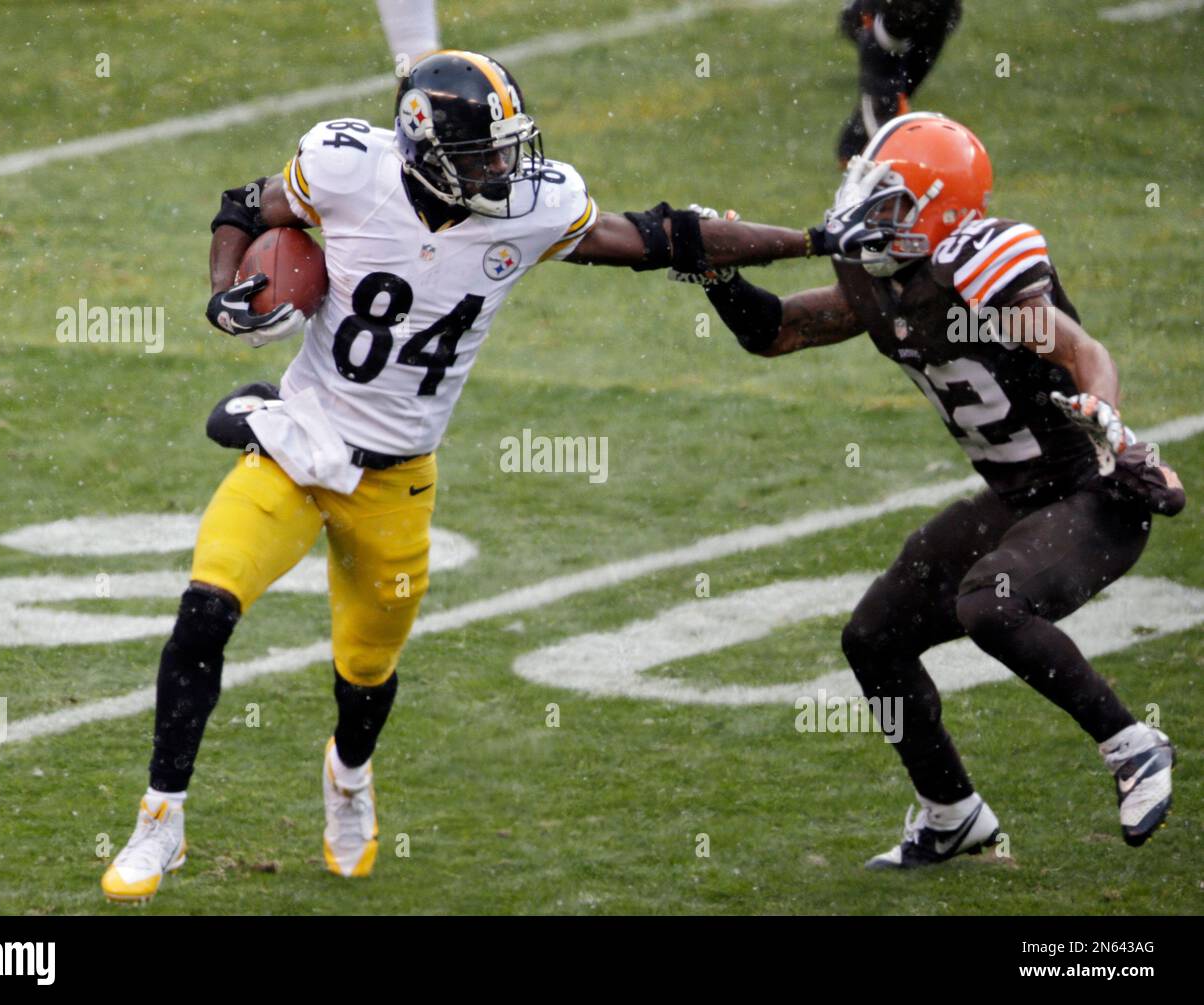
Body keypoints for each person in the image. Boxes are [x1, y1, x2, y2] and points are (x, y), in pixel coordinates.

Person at [101, 49, 811, 902]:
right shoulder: (346, 167)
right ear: (425, 149)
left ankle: (350, 776)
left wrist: (811, 239)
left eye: (510, 149)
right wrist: (228, 292)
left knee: (365, 670)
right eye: (485, 154)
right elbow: (243, 206)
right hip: (302, 442)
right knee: (205, 609)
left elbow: (666, 236)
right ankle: (161, 818)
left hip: (399, 478)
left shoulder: (531, 209)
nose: (506, 169)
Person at [687, 111, 1184, 868]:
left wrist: (1106, 415)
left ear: (941, 213)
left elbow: (1082, 348)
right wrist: (720, 277)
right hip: (1017, 499)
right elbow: (778, 330)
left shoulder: (979, 265)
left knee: (991, 601)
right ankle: (952, 813)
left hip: (1092, 497)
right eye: (864, 192)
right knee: (874, 638)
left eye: (886, 203)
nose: (862, 216)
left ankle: (1133, 744)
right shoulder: (873, 277)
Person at [835, 0, 962, 165]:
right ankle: (858, 149)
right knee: (889, 125)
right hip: (893, 18)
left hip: (928, 14)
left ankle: (856, 146)